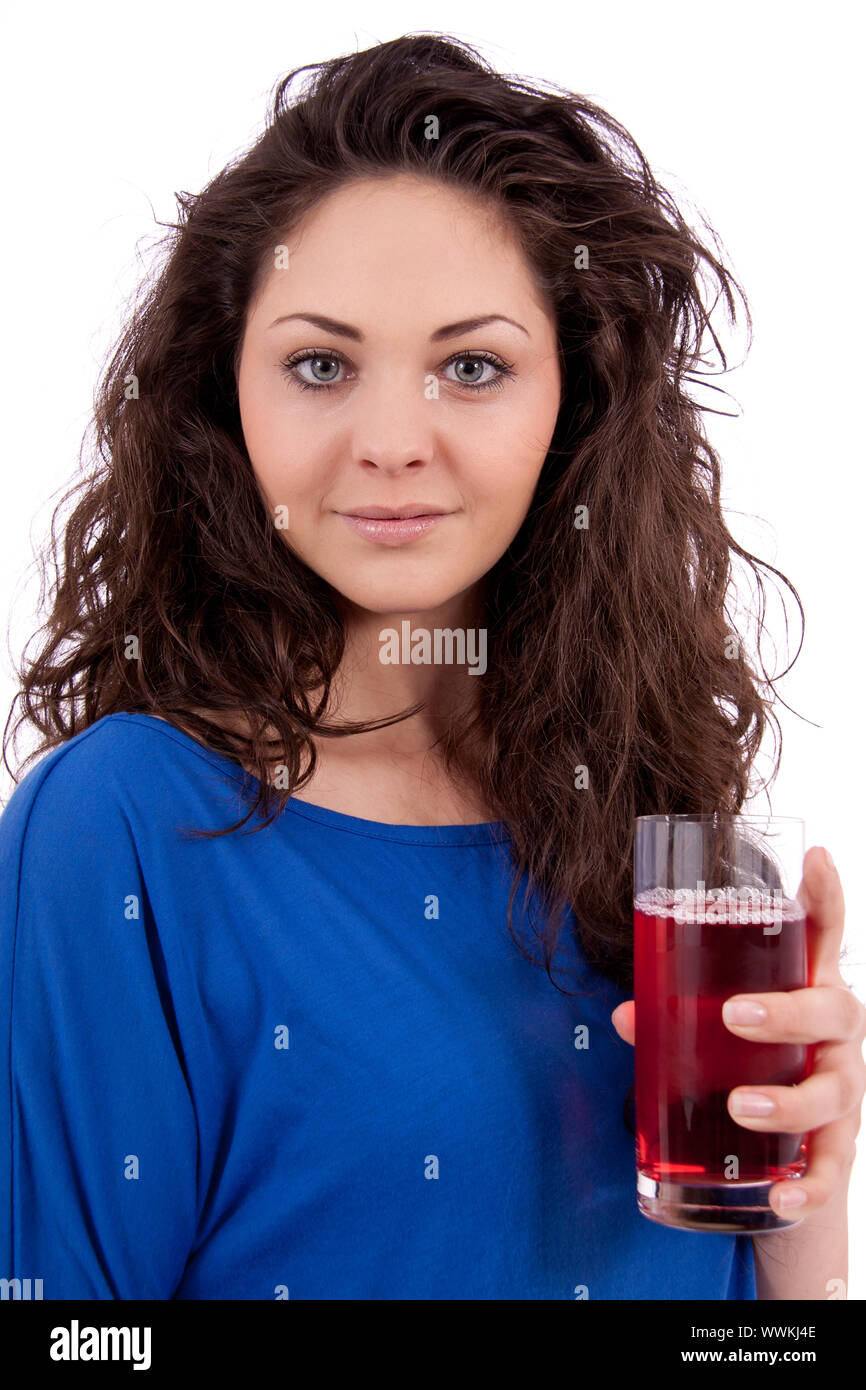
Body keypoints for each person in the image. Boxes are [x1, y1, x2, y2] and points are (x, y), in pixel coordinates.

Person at [0, 33, 861, 1301]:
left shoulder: (634, 814)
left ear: (573, 402)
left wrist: (803, 1221)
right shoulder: (117, 828)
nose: (393, 440)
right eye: (319, 364)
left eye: (471, 366)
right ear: (220, 394)